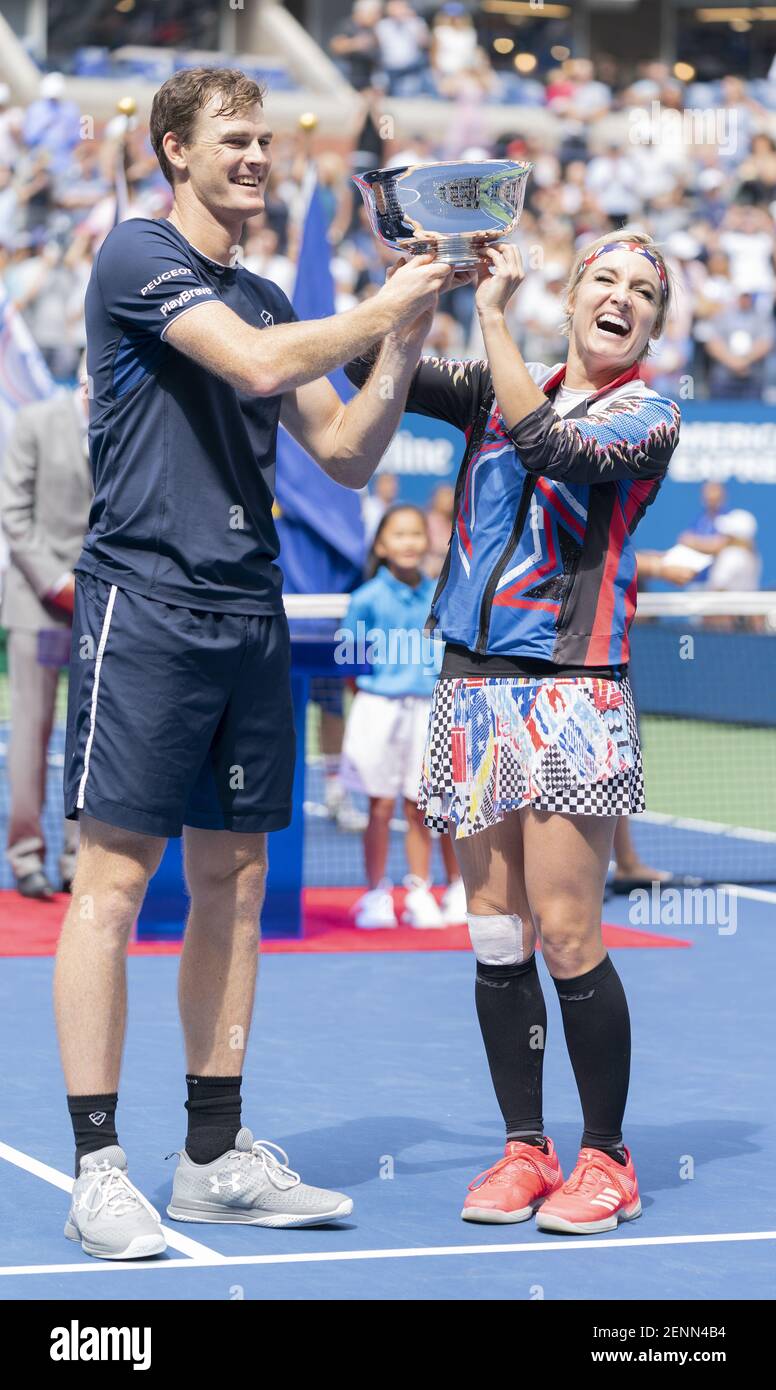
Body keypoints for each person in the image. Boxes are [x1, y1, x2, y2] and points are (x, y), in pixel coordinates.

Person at [57, 64, 454, 1261]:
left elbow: (342, 453)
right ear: (175, 151)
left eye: (263, 140)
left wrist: (413, 323)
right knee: (114, 887)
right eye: (231, 139)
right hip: (145, 605)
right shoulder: (135, 256)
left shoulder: (273, 292)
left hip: (248, 611)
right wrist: (393, 298)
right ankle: (100, 1168)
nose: (254, 156)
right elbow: (258, 368)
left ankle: (214, 1155)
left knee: (233, 886)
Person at [346, 229, 680, 1234]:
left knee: (570, 932)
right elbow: (369, 360)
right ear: (574, 296)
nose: (618, 298)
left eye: (641, 292)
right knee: (495, 933)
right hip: (469, 685)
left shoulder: (649, 413)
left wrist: (489, 313)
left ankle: (606, 1159)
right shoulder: (497, 383)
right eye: (603, 279)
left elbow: (552, 449)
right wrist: (420, 272)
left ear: (652, 324)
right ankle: (523, 1149)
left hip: (571, 691)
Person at [339, 504, 465, 928]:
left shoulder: (440, 595)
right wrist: (378, 697)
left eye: (415, 534)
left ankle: (420, 892)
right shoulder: (365, 599)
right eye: (399, 534)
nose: (409, 542)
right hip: (377, 710)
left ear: (427, 540)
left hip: (428, 710)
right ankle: (376, 894)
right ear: (381, 544)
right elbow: (351, 665)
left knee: (423, 806)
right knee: (379, 805)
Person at [0, 372, 92, 897]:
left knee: (91, 737)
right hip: (36, 605)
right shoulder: (35, 422)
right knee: (29, 738)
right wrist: (57, 583)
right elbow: (14, 514)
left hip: (97, 606)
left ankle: (79, 857)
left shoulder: (129, 425)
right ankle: (25, 856)